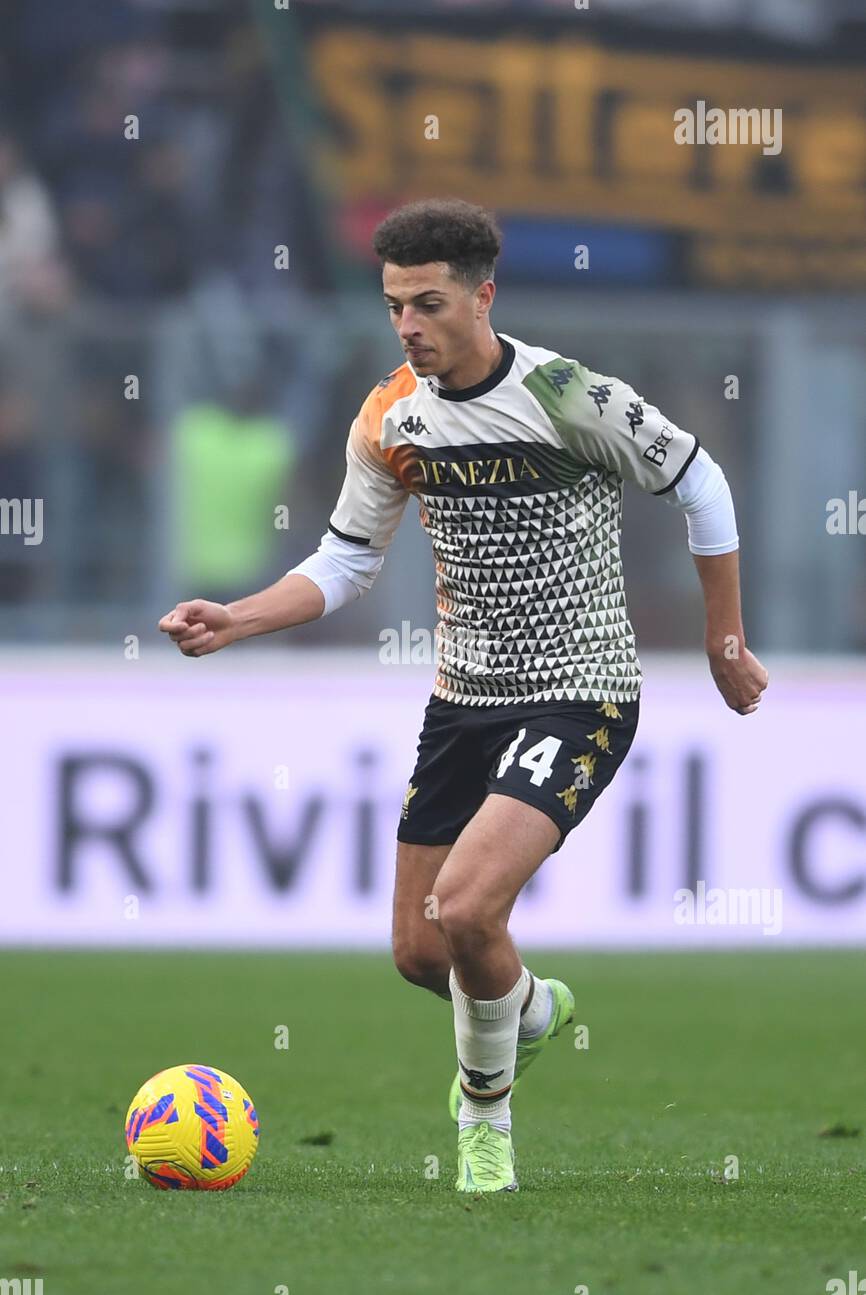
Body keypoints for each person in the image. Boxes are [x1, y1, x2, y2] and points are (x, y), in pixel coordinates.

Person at [159, 198, 768, 1194]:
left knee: (468, 907)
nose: (407, 325)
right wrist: (237, 618)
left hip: (579, 689)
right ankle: (527, 1012)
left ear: (482, 295)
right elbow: (347, 559)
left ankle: (484, 1125)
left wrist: (723, 638)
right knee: (417, 949)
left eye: (428, 304)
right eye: (395, 304)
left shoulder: (566, 395)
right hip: (461, 702)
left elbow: (698, 484)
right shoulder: (388, 414)